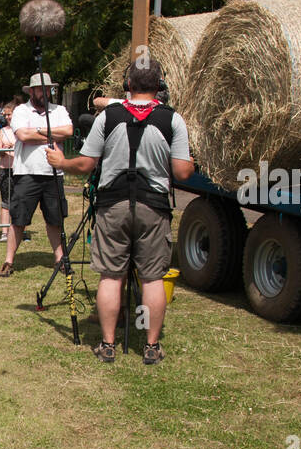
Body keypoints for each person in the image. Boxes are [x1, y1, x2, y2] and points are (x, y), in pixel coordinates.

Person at [48, 57, 193, 365]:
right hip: (153, 206)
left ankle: (108, 343)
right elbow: (182, 172)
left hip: (112, 205)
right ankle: (151, 346)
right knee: (152, 277)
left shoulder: (108, 117)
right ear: (159, 85)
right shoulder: (172, 120)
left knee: (111, 276)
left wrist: (62, 164)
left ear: (128, 84)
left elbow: (87, 164)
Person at [0, 73, 73, 278]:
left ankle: (60, 259)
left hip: (53, 173)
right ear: (31, 91)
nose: (45, 92)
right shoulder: (21, 111)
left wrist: (38, 131)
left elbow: (68, 131)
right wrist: (51, 134)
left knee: (55, 218)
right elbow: (23, 135)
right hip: (26, 173)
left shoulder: (58, 110)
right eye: (41, 89)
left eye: (48, 89)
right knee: (19, 218)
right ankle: (8, 260)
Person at [0, 99, 18, 243]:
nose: (7, 117)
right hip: (5, 169)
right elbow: (0, 151)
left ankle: (20, 230)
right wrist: (2, 149)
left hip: (19, 169)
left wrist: (13, 146)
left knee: (20, 201)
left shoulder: (22, 130)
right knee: (6, 201)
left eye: (10, 114)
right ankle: (5, 232)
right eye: (6, 115)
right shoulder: (3, 131)